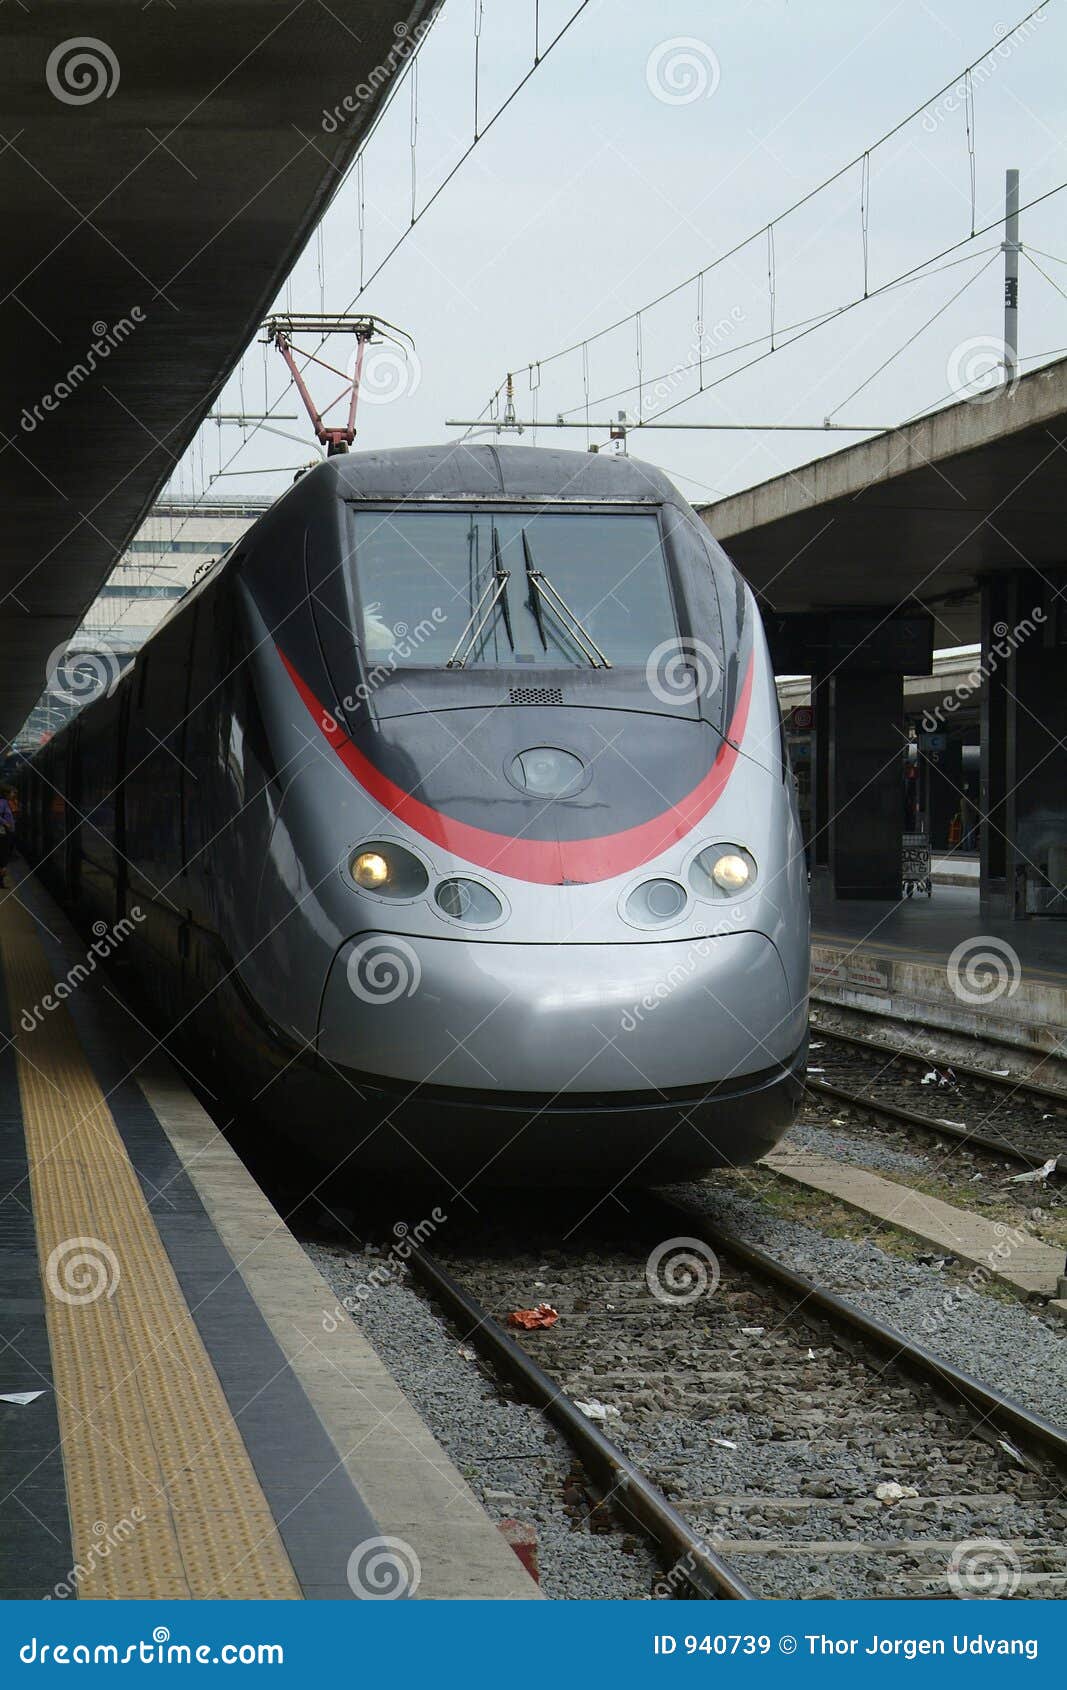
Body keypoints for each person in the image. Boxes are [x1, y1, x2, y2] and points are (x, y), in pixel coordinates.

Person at [0, 789, 14, 889]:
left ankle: (1, 882)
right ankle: (1, 882)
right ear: (6, 793)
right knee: (3, 856)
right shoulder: (2, 802)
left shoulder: (5, 802)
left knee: (4, 856)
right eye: (12, 792)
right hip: (3, 833)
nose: (14, 794)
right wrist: (6, 823)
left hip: (5, 832)